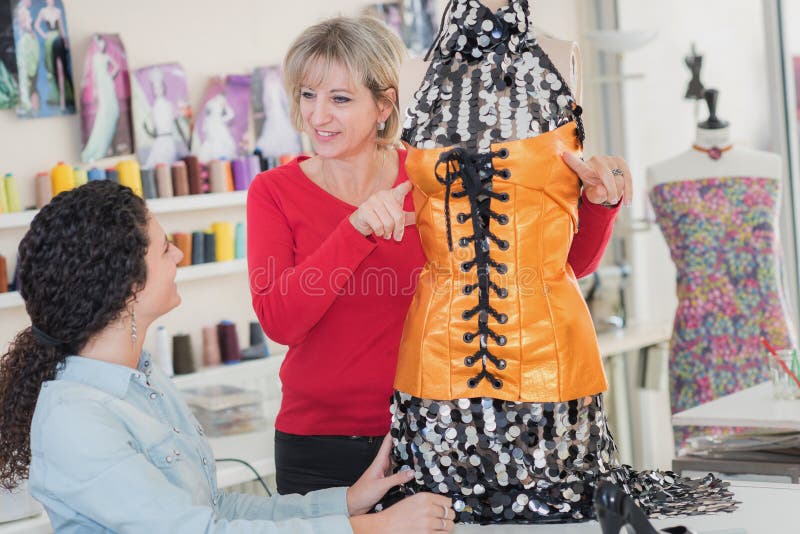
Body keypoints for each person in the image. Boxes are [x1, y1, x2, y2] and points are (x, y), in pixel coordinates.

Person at [247, 15, 625, 497]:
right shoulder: (273, 192)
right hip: (319, 448)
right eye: (307, 95)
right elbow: (281, 321)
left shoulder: (432, 174)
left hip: (437, 429)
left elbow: (543, 271)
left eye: (340, 99)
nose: (318, 116)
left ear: (386, 105)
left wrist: (598, 203)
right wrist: (356, 230)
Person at [0, 180, 455, 533]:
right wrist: (372, 527)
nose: (179, 254)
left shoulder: (145, 382)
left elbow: (216, 507)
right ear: (127, 286)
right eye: (164, 248)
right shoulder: (75, 421)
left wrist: (346, 502)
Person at [80, 34, 121, 162]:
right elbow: (94, 75)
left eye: (103, 43)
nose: (101, 45)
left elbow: (116, 67)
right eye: (99, 43)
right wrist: (96, 90)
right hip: (102, 85)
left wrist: (110, 76)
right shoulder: (95, 58)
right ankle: (101, 145)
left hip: (107, 83)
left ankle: (108, 143)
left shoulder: (105, 57)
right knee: (104, 112)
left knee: (113, 110)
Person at [34, 0, 73, 110]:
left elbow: (61, 28)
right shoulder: (43, 11)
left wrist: (65, 41)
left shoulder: (58, 11)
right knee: (52, 69)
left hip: (58, 40)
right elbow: (36, 25)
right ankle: (59, 98)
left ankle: (62, 100)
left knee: (62, 69)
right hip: (49, 43)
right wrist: (44, 35)